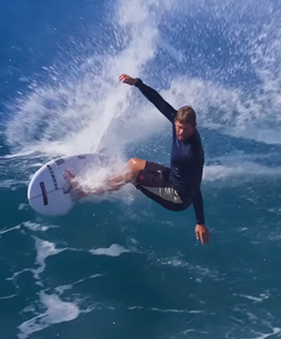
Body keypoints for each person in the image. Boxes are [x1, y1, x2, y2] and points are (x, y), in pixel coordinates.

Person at [67, 74, 210, 245]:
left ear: (194, 127)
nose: (179, 133)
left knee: (132, 174)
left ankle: (84, 190)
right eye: (178, 128)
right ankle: (118, 181)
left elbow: (195, 186)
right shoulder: (177, 122)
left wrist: (200, 222)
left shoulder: (193, 152)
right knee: (133, 163)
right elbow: (159, 102)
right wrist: (138, 84)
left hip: (178, 197)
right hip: (172, 176)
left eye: (184, 130)